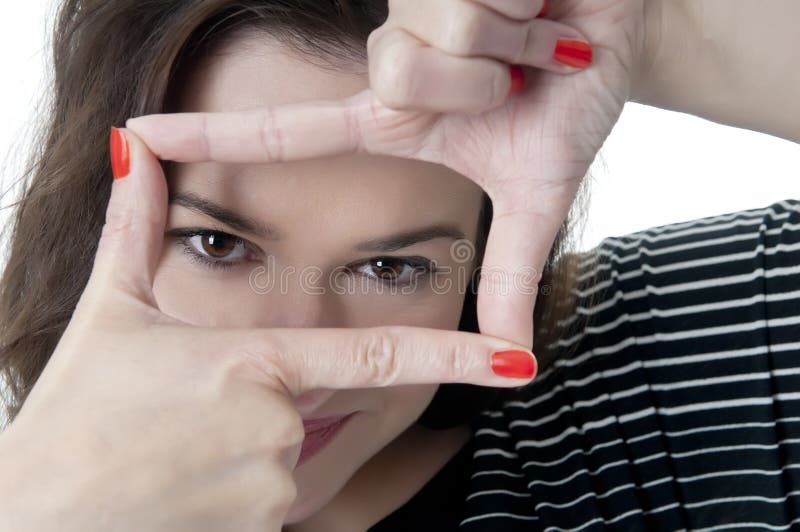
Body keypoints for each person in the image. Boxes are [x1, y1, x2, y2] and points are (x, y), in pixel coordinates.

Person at [0, 2, 797, 532]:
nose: (299, 360)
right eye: (218, 245)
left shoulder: (648, 391)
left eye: (391, 268)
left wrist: (660, 30)